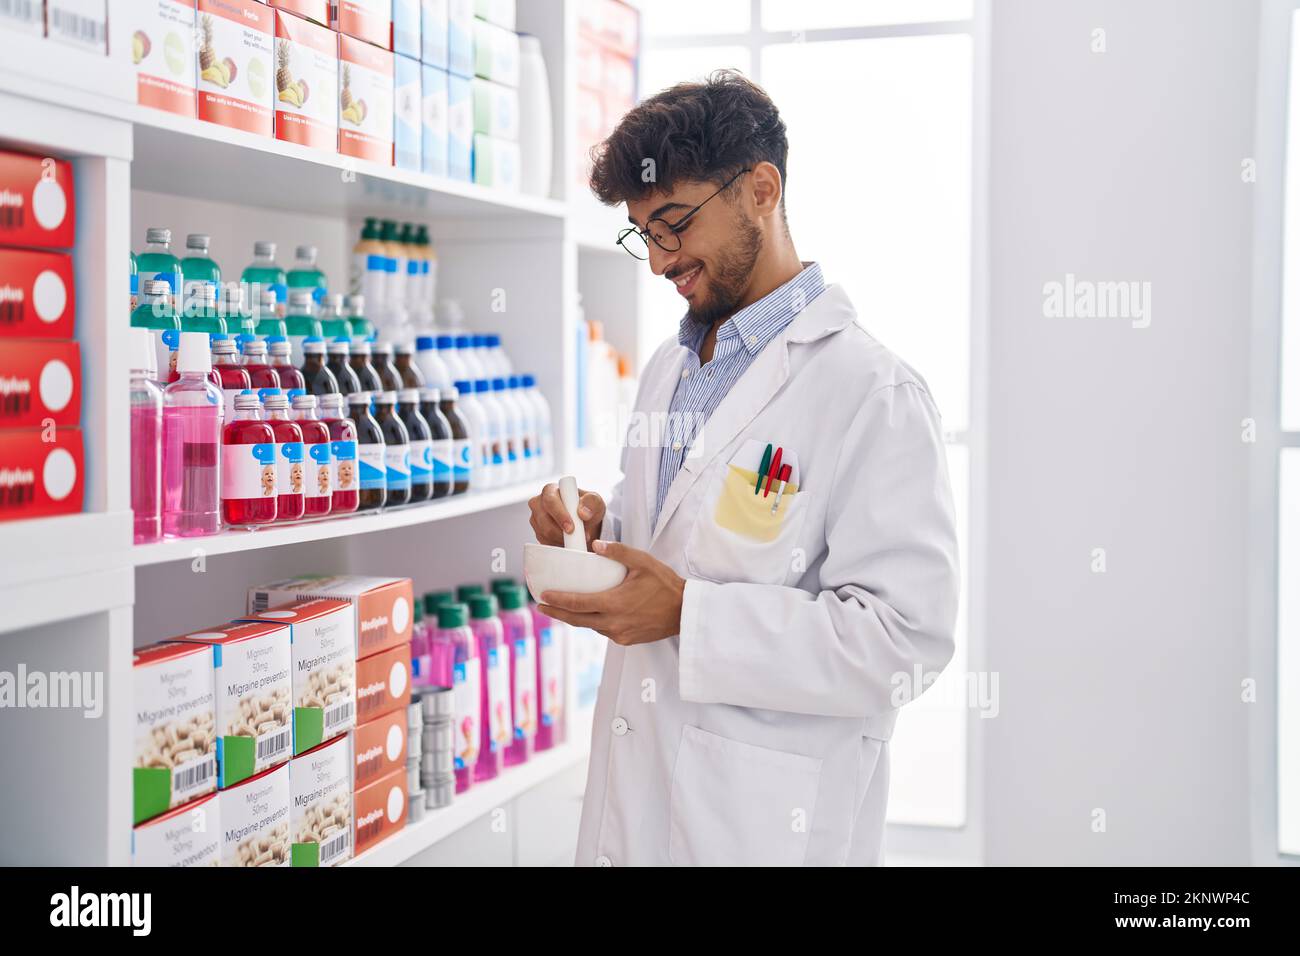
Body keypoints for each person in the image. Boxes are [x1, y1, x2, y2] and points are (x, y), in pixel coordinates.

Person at [528, 70, 960, 866]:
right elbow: (680, 537)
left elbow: (904, 642)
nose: (659, 261)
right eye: (642, 233)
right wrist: (598, 531)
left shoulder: (872, 392)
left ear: (761, 189)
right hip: (638, 801)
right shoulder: (672, 366)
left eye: (674, 224)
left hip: (763, 827)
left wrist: (693, 615)